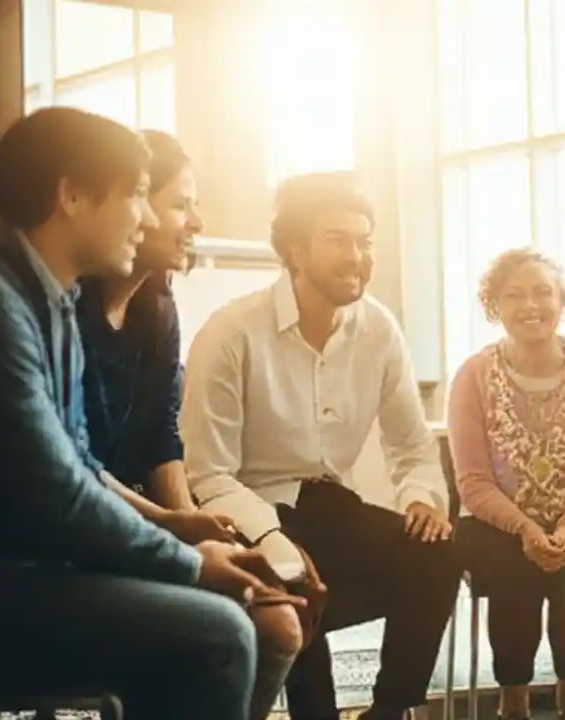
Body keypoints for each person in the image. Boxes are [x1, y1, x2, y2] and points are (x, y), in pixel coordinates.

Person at [0, 107, 290, 720]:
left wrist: (181, 531)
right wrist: (190, 563)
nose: (145, 216)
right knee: (216, 635)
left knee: (243, 612)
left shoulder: (42, 295)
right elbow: (58, 498)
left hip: (24, 569)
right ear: (71, 195)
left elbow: (79, 461)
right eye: (138, 194)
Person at [180, 171, 462, 720]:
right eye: (337, 239)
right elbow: (207, 473)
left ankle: (389, 711)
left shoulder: (378, 329)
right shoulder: (231, 330)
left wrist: (423, 497)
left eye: (365, 241)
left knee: (438, 555)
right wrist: (273, 540)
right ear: (294, 251)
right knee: (293, 580)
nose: (356, 256)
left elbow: (411, 444)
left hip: (330, 504)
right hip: (248, 510)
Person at [77, 129, 303, 720]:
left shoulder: (157, 308)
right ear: (132, 202)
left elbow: (161, 441)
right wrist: (176, 527)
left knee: (280, 620)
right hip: (89, 527)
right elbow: (72, 466)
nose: (197, 220)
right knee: (234, 626)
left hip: (141, 516)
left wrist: (203, 530)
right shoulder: (59, 310)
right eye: (181, 203)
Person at [449, 248, 565, 720]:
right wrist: (527, 528)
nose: (531, 305)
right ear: (495, 307)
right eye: (515, 295)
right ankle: (514, 706)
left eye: (543, 292)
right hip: (497, 525)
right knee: (512, 564)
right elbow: (473, 482)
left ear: (562, 300)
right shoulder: (473, 376)